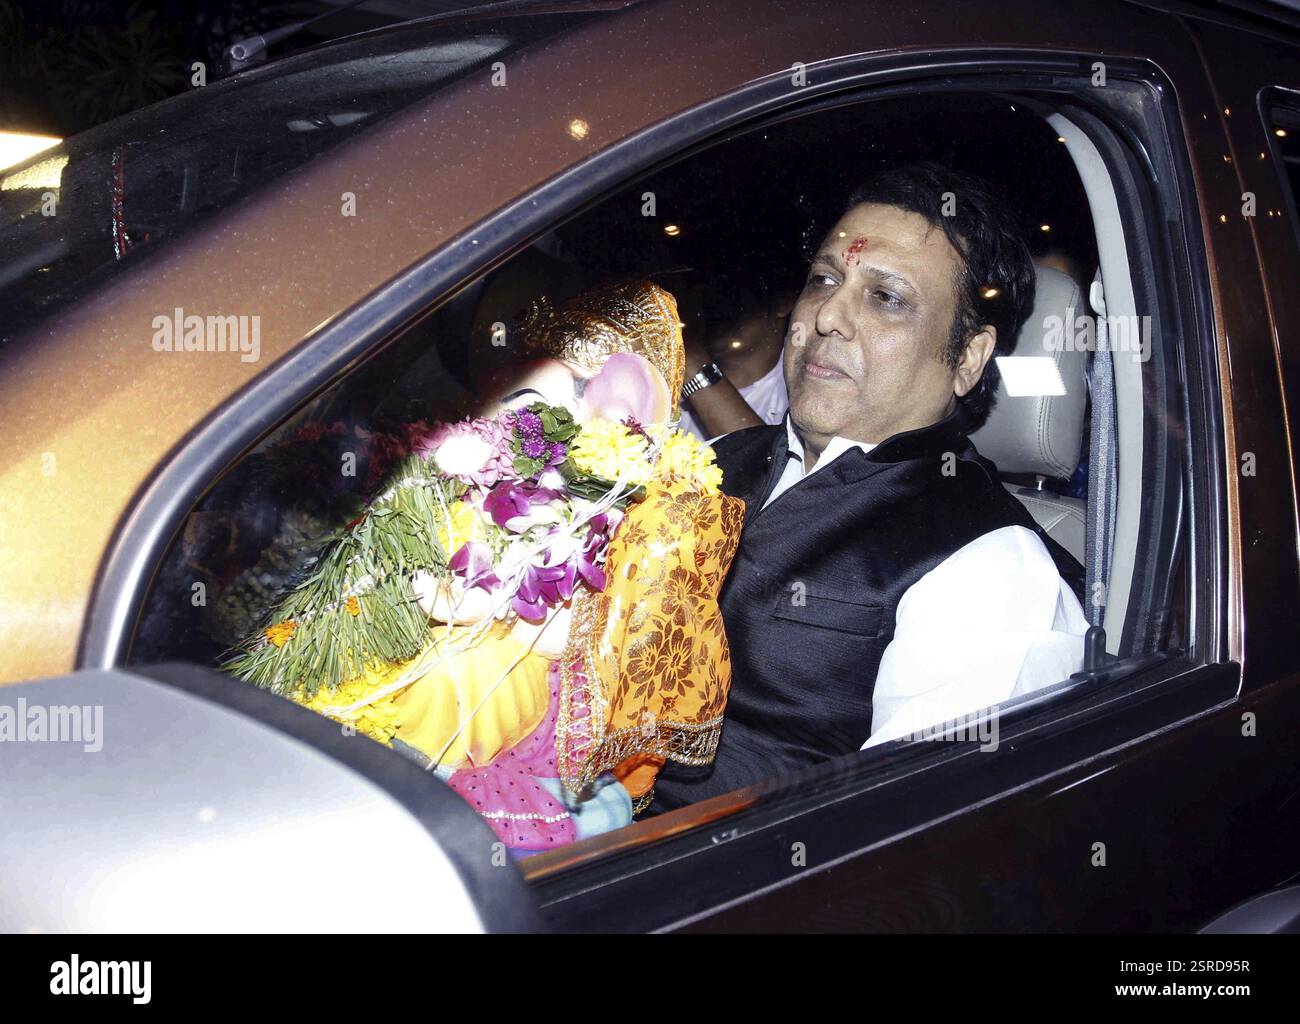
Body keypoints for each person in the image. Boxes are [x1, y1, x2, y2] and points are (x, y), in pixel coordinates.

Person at [228, 281, 745, 851]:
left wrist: (456, 600)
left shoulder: (594, 524)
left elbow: (559, 632)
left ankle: (404, 776)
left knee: (456, 675)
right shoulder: (486, 486)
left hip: (499, 705)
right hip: (418, 652)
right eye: (518, 411)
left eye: (544, 420)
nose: (516, 433)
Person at [651, 162, 1089, 810]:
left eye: (885, 298)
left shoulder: (987, 568)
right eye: (824, 278)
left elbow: (898, 843)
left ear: (967, 358)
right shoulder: (719, 457)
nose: (828, 315)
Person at [679, 275, 796, 440]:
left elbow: (765, 462)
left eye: (736, 287)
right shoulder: (663, 368)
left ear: (784, 302)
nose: (716, 301)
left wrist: (693, 363)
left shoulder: (801, 384)